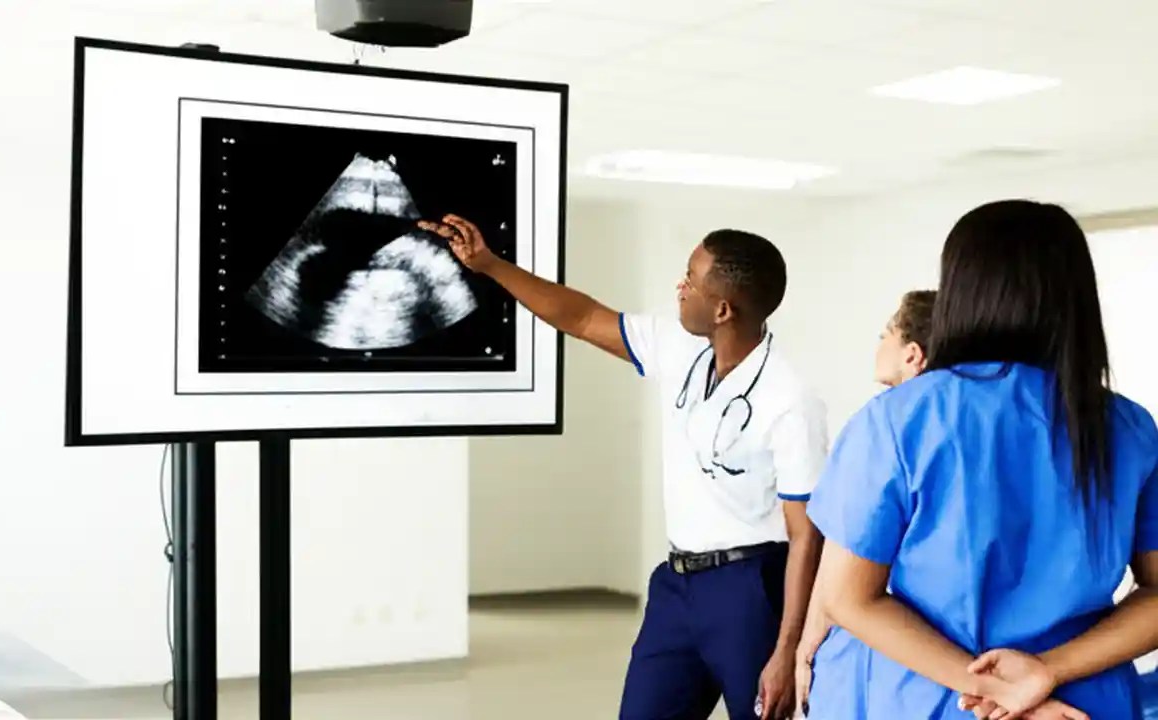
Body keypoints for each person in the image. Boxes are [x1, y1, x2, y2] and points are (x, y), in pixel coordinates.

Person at [418, 214, 829, 719]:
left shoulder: (790, 400)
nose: (679, 287)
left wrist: (790, 649)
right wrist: (490, 266)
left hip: (750, 592)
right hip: (676, 586)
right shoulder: (680, 347)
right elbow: (583, 318)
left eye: (690, 278)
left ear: (722, 309)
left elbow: (807, 536)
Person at [803, 200, 1158, 719]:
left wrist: (997, 692)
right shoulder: (1127, 428)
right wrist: (1046, 673)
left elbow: (849, 597)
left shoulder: (898, 421)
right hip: (1077, 703)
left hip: (929, 697)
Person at [794, 288, 936, 714]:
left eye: (884, 334)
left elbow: (841, 557)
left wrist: (804, 649)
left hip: (872, 646)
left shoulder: (881, 427)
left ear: (912, 354)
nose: (877, 344)